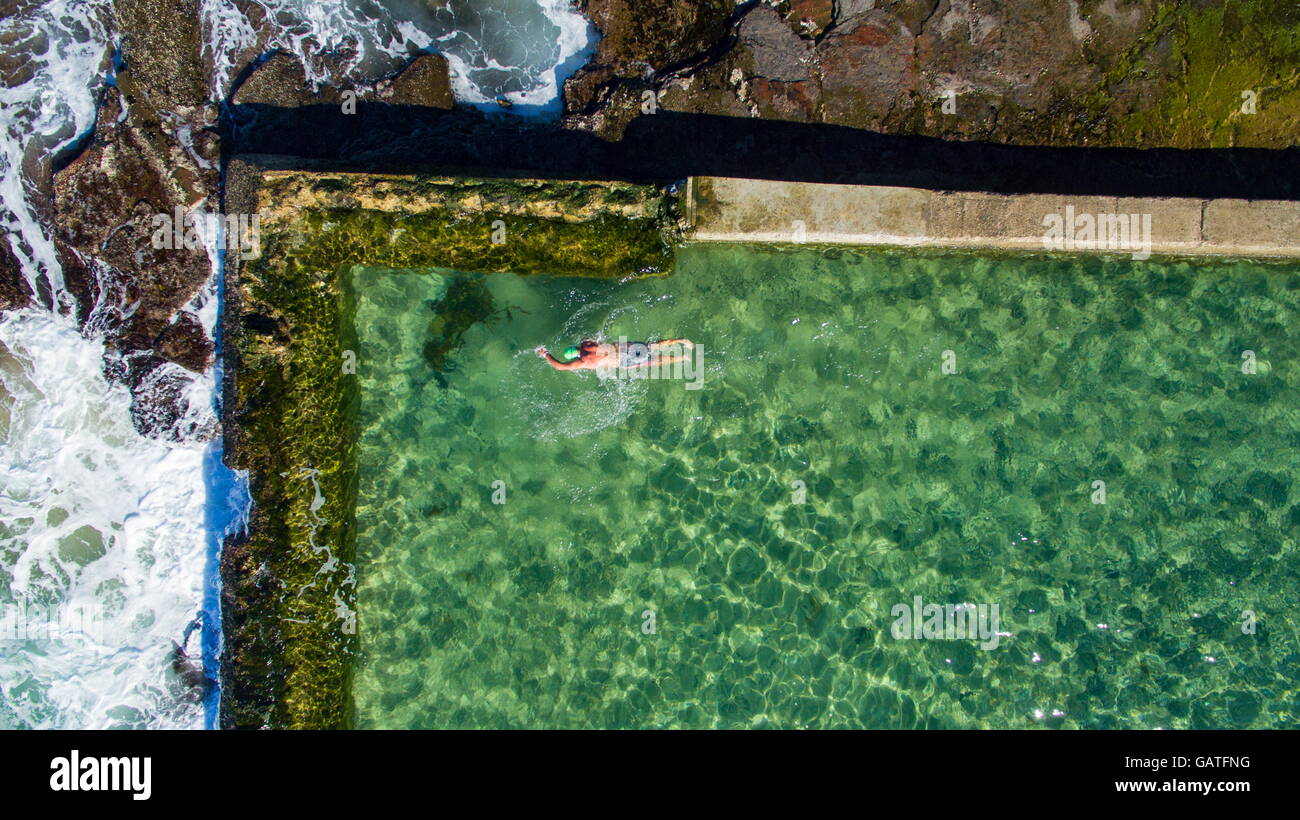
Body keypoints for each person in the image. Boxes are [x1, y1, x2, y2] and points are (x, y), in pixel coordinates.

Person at [535, 338, 693, 371]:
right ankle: (681, 341)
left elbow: (560, 366)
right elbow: (597, 340)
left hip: (622, 363)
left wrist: (545, 354)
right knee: (654, 346)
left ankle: (681, 358)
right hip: (624, 348)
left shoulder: (583, 363)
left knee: (653, 362)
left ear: (575, 357)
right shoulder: (586, 343)